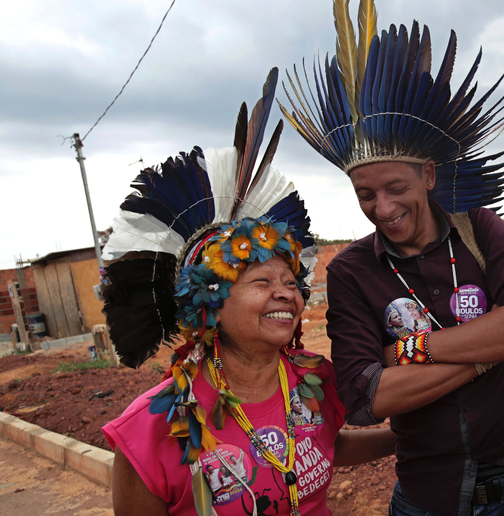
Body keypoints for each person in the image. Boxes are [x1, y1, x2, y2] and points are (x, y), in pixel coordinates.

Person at [279, 1, 504, 514]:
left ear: (429, 176)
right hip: (428, 497)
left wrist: (409, 352)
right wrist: (487, 349)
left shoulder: (477, 228)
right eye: (366, 195)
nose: (382, 209)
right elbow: (366, 398)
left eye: (395, 188)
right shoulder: (349, 272)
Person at [100, 68, 395, 516]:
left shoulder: (315, 381)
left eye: (290, 283)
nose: (287, 295)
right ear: (211, 304)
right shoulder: (152, 427)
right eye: (261, 282)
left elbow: (326, 444)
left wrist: (402, 439)